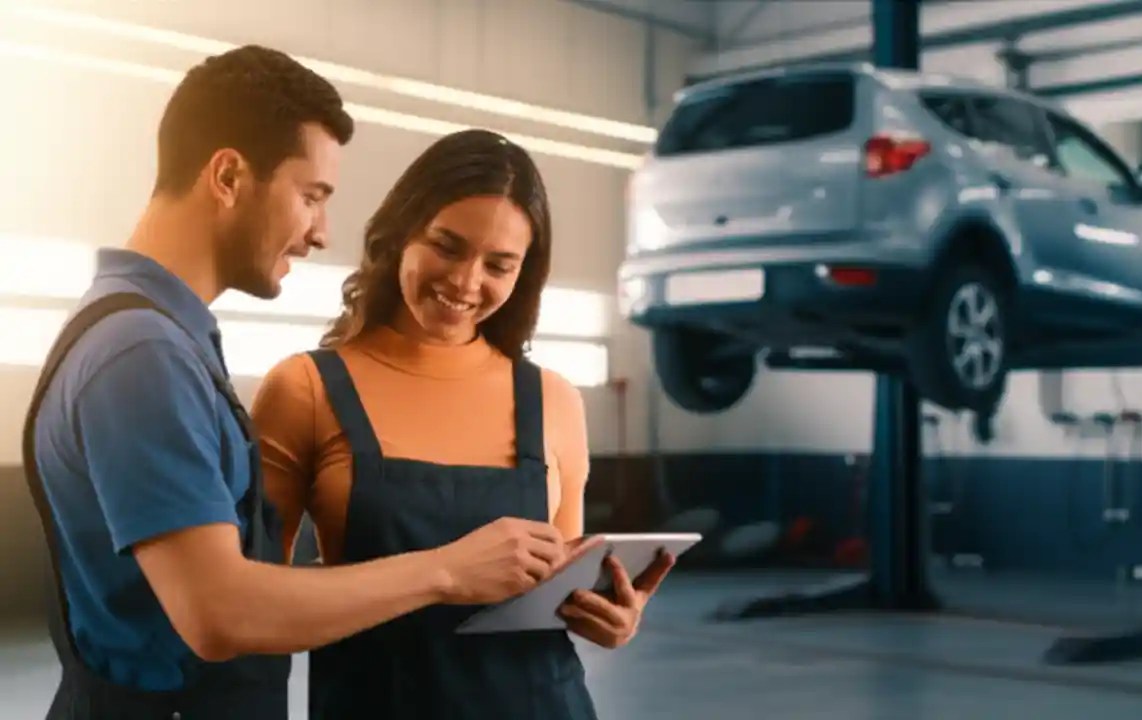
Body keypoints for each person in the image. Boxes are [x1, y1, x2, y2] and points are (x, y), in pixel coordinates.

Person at [24, 48, 571, 720]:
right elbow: (220, 610)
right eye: (310, 196)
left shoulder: (169, 339)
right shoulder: (141, 353)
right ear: (227, 175)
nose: (319, 232)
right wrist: (446, 570)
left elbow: (245, 585)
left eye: (500, 263)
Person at [251, 128, 677, 719]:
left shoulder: (553, 399)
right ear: (402, 231)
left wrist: (611, 619)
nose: (465, 282)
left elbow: (561, 590)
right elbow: (252, 605)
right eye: (447, 246)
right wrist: (441, 572)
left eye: (499, 265)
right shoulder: (306, 389)